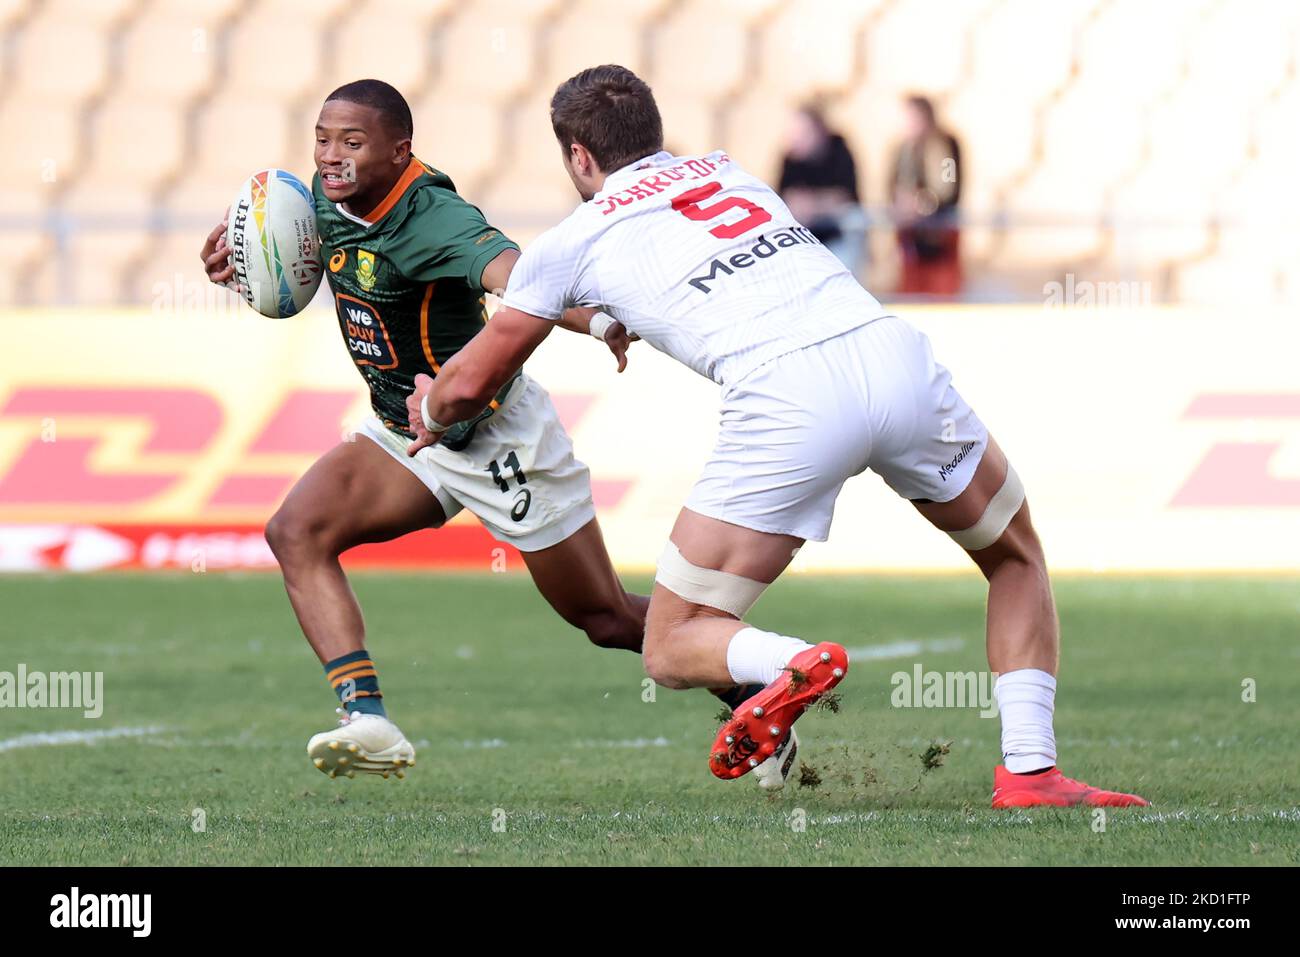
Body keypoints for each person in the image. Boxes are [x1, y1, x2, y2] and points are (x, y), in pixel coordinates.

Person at [405, 65, 1147, 808]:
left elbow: (472, 381)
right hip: (888, 352)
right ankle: (1031, 771)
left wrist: (432, 412)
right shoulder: (730, 172)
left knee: (670, 643)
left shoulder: (572, 240)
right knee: (1015, 556)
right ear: (655, 133)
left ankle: (789, 662)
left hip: (788, 398)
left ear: (577, 157)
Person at [200, 79, 784, 788]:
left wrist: (596, 321)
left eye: (352, 142)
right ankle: (367, 719)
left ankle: (756, 681)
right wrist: (248, 261)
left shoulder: (432, 216)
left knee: (602, 617)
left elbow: (520, 277)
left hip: (497, 435)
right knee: (295, 530)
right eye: (323, 138)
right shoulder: (319, 197)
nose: (331, 156)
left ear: (399, 149)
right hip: (404, 432)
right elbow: (300, 256)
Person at [777, 106, 865, 276]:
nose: (796, 138)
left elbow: (845, 197)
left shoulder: (839, 151)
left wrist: (814, 205)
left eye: (803, 132)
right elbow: (783, 198)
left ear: (818, 131)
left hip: (838, 239)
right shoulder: (790, 158)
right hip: (801, 243)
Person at [890, 95, 962, 296]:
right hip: (910, 233)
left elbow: (950, 188)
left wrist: (922, 205)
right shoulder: (903, 149)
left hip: (940, 232)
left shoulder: (945, 147)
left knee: (942, 291)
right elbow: (894, 185)